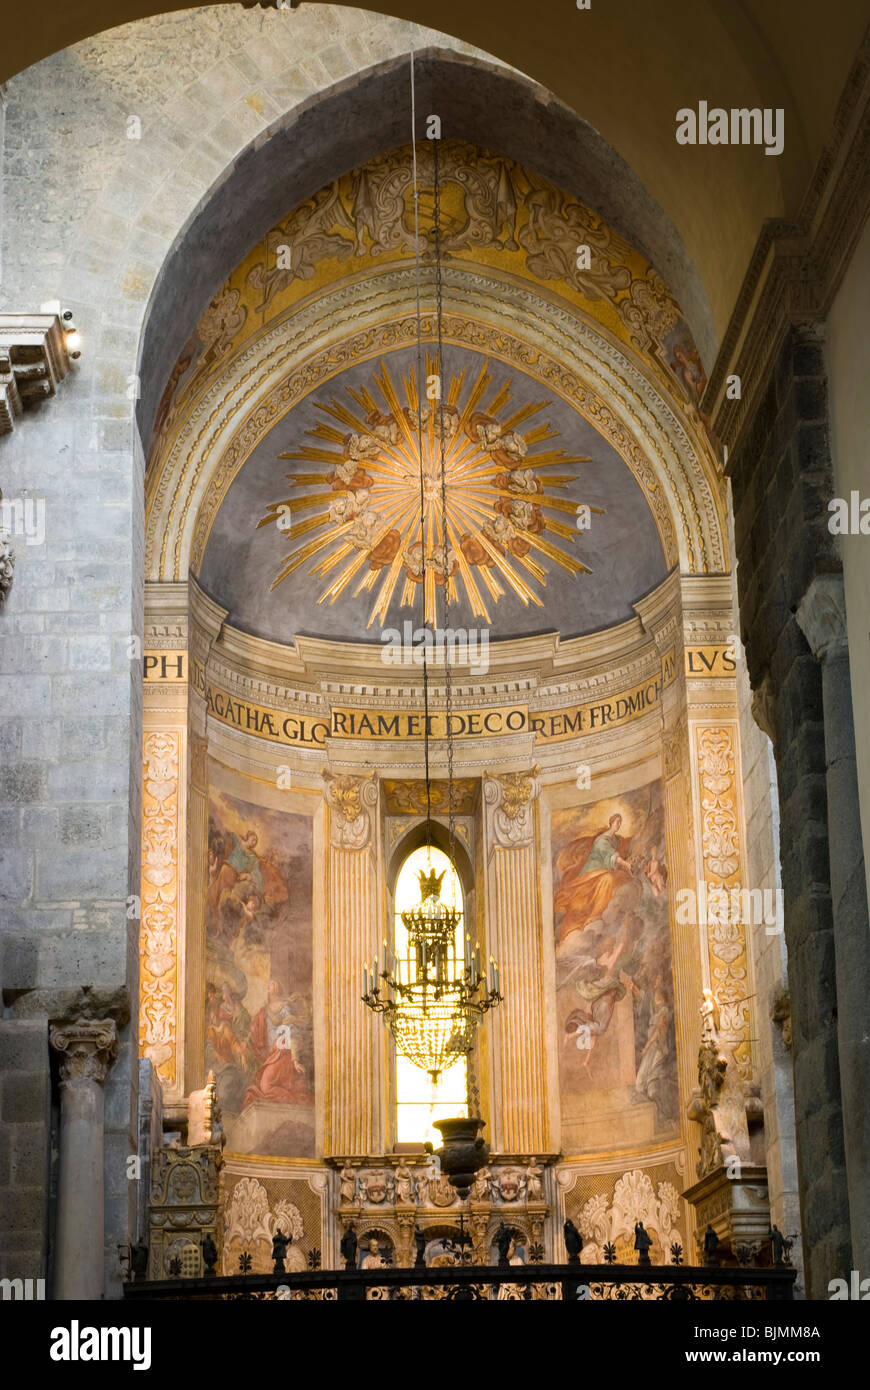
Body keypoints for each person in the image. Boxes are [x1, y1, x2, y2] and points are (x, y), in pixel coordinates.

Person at [554, 814, 635, 945]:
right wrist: (626, 864)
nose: (619, 825)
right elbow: (610, 854)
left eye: (620, 822)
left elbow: (623, 848)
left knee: (618, 879)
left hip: (604, 872)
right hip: (592, 874)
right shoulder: (602, 840)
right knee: (607, 880)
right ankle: (595, 916)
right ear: (611, 822)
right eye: (617, 822)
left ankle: (599, 916)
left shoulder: (617, 840)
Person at [242, 981, 312, 1109]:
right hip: (270, 1054)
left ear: (279, 988)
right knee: (264, 1086)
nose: (271, 985)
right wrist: (244, 1049)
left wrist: (295, 1060)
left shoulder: (285, 1007)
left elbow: (292, 1030)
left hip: (283, 1051)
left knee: (266, 1086)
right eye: (269, 984)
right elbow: (252, 1033)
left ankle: (291, 1105)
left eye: (274, 984)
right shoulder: (263, 1011)